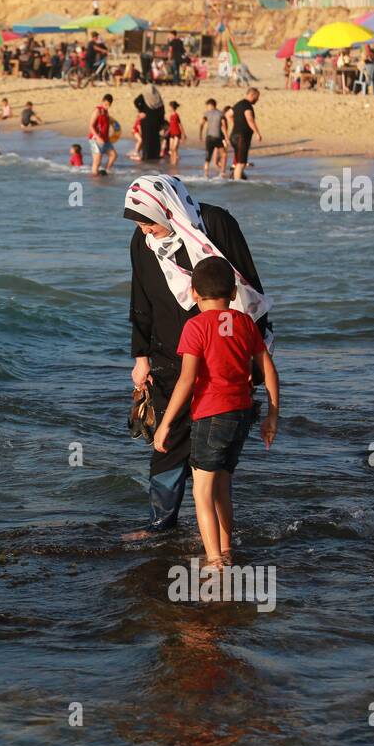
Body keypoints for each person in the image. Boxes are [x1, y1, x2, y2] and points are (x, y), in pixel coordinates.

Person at [123, 174, 273, 537]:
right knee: (168, 437)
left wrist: (257, 352)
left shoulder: (217, 223)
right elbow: (140, 300)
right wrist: (140, 356)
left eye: (148, 221)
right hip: (169, 356)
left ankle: (219, 537)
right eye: (138, 223)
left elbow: (248, 285)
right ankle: (162, 525)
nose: (144, 230)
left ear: (168, 207)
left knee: (216, 450)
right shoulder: (142, 242)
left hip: (223, 359)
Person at [151, 257, 280, 567]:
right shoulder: (246, 323)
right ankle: (225, 550)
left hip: (211, 416)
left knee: (202, 493)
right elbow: (269, 369)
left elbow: (187, 380)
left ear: (194, 293)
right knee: (222, 488)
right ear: (234, 293)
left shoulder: (195, 326)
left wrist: (165, 423)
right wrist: (273, 414)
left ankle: (213, 562)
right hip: (241, 414)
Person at [229, 88, 261, 180]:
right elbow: (249, 119)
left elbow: (228, 114)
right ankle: (237, 182)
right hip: (241, 137)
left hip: (234, 136)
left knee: (239, 161)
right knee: (241, 163)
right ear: (252, 95)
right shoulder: (247, 106)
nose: (257, 100)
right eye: (257, 97)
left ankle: (236, 179)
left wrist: (236, 123)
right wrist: (257, 133)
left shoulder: (238, 104)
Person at [88, 95, 116, 176]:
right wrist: (98, 137)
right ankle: (95, 179)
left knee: (113, 155)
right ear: (102, 101)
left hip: (105, 139)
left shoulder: (106, 112)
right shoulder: (97, 111)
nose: (107, 107)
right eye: (106, 104)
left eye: (109, 105)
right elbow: (91, 126)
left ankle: (105, 170)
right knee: (97, 160)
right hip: (95, 139)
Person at [199, 98, 227, 178]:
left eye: (207, 106)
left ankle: (206, 174)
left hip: (209, 138)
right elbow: (223, 126)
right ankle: (222, 172)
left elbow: (201, 124)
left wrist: (200, 135)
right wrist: (226, 137)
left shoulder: (206, 113)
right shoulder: (220, 113)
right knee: (224, 154)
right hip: (217, 137)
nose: (207, 107)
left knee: (208, 157)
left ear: (211, 105)